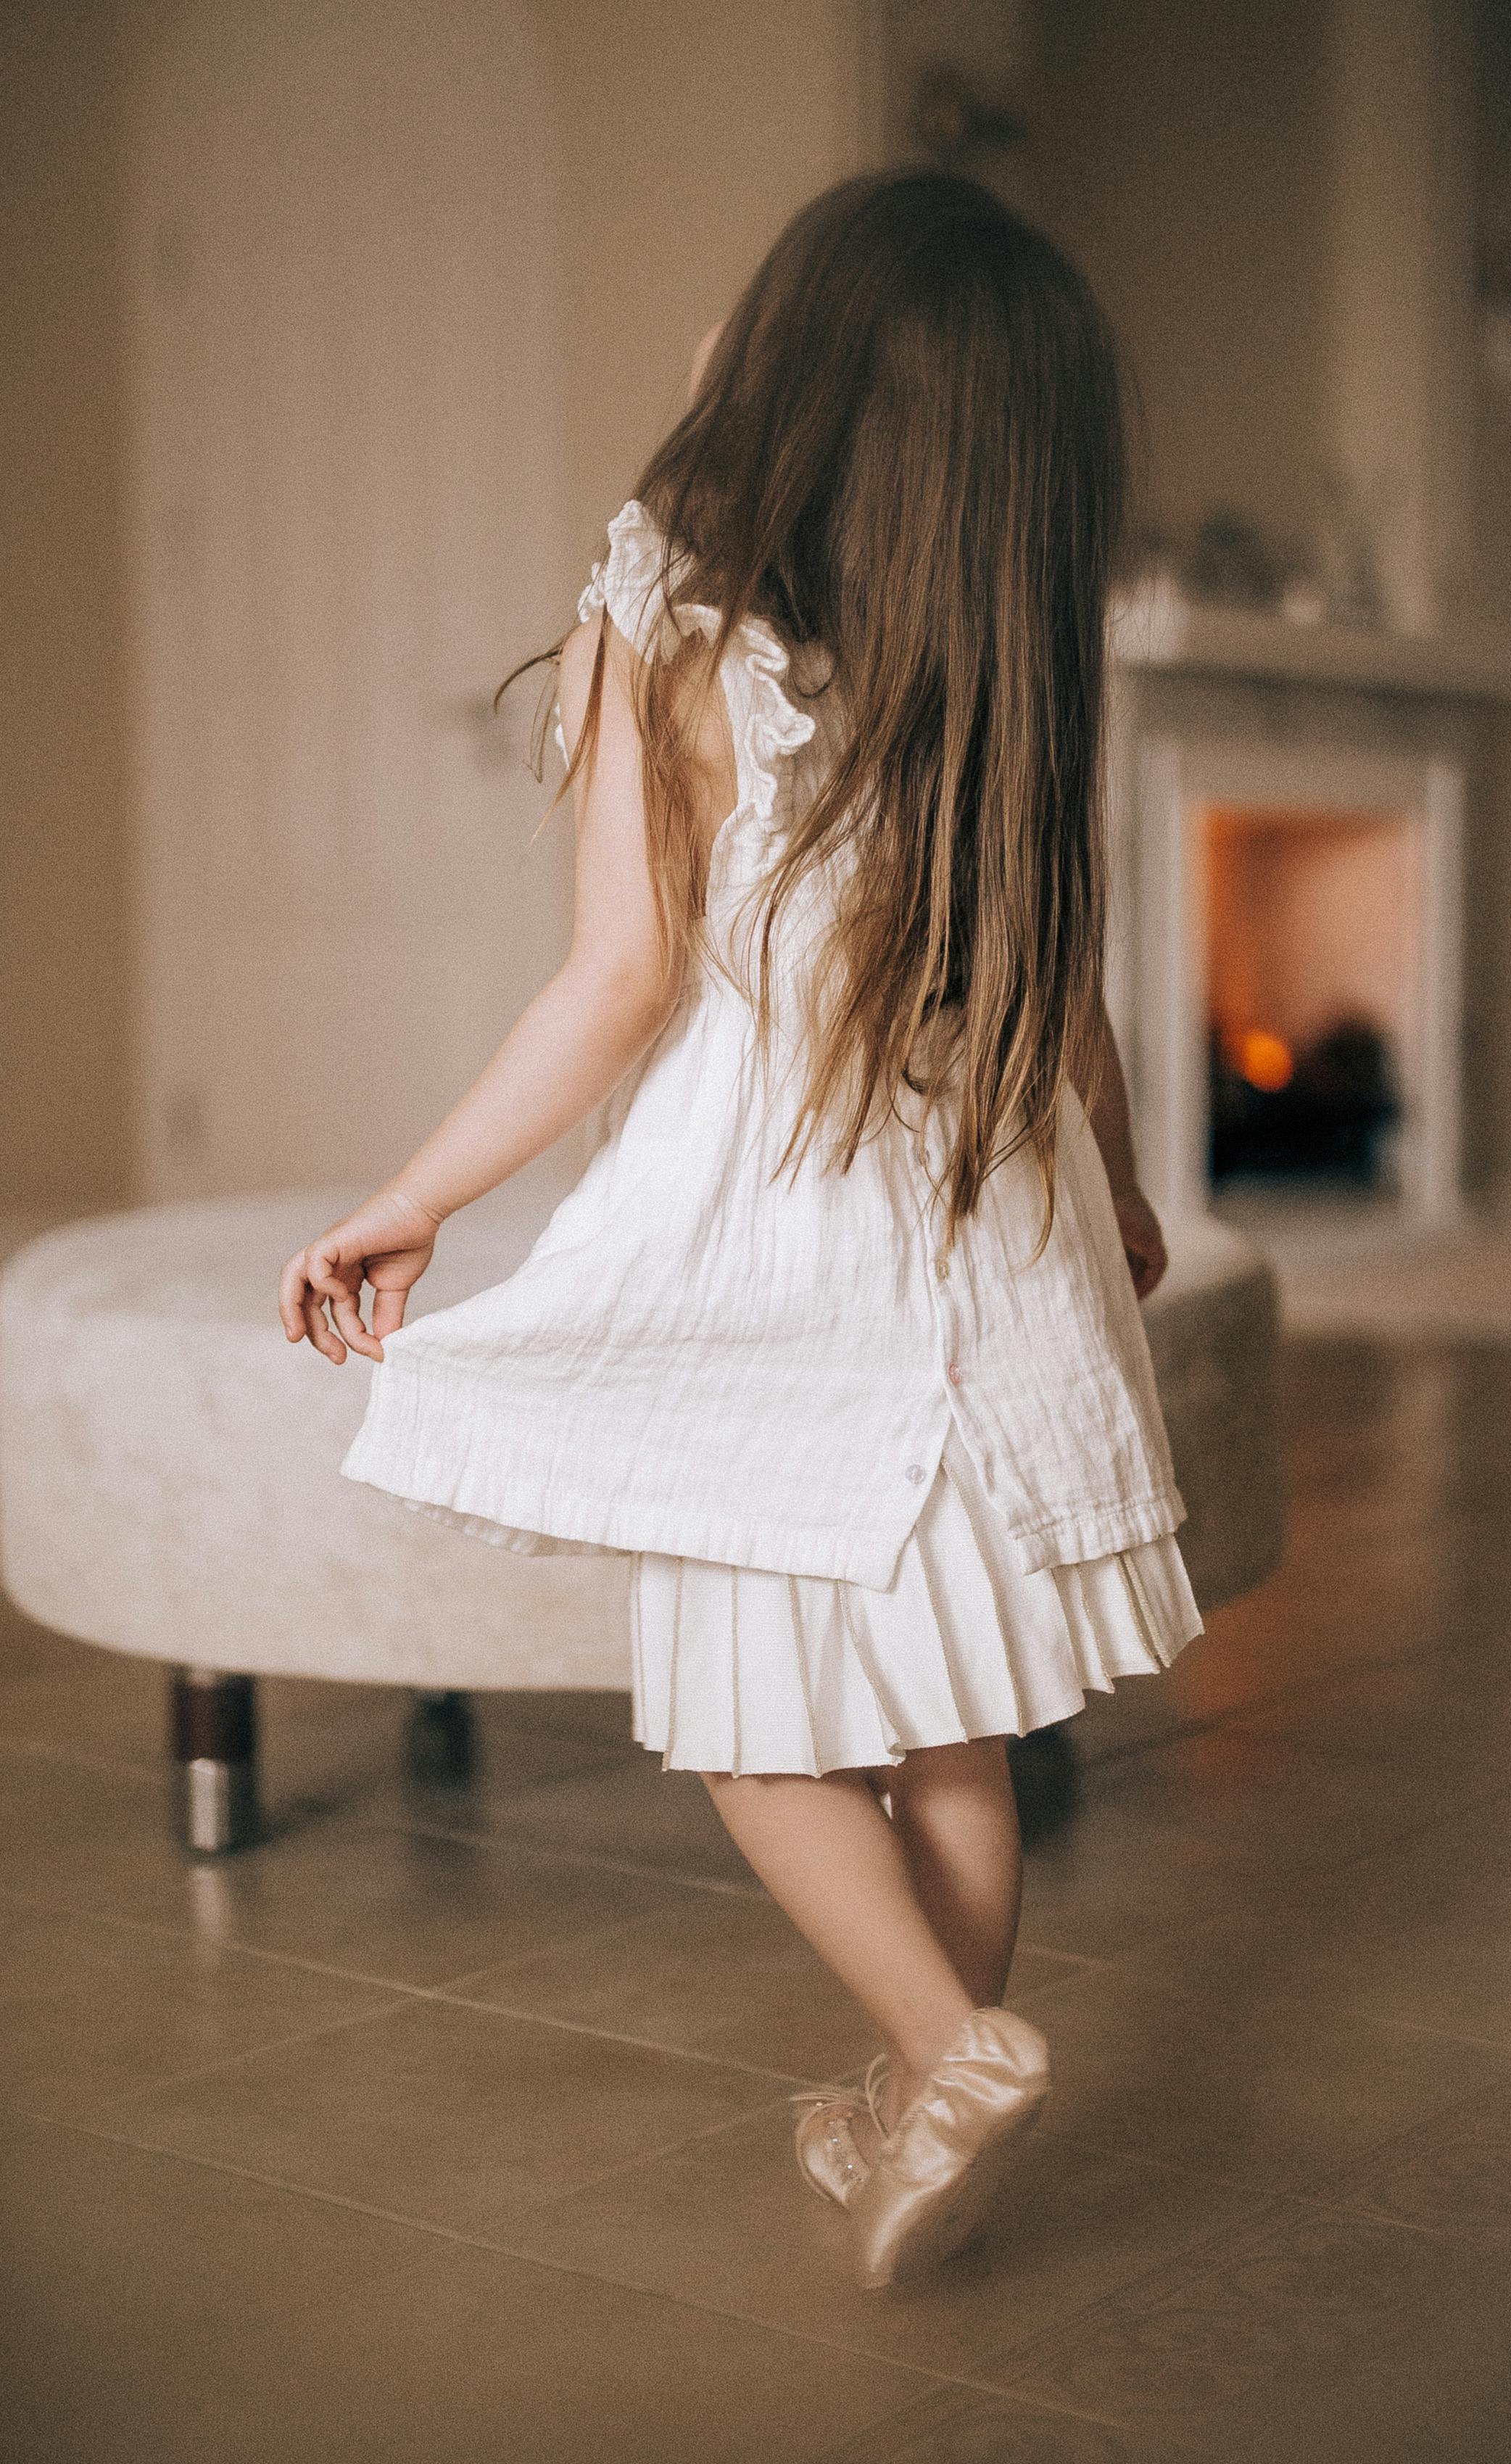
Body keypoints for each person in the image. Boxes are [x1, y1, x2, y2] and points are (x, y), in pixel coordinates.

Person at [278, 170, 1201, 2290]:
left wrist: (417, 1198)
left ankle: (954, 2053)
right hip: (995, 1229)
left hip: (781, 1252)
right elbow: (1065, 982)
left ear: (792, 365)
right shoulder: (1004, 652)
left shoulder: (667, 607)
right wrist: (1129, 1178)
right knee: (951, 1721)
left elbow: (619, 979)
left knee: (748, 1721)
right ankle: (911, 2088)